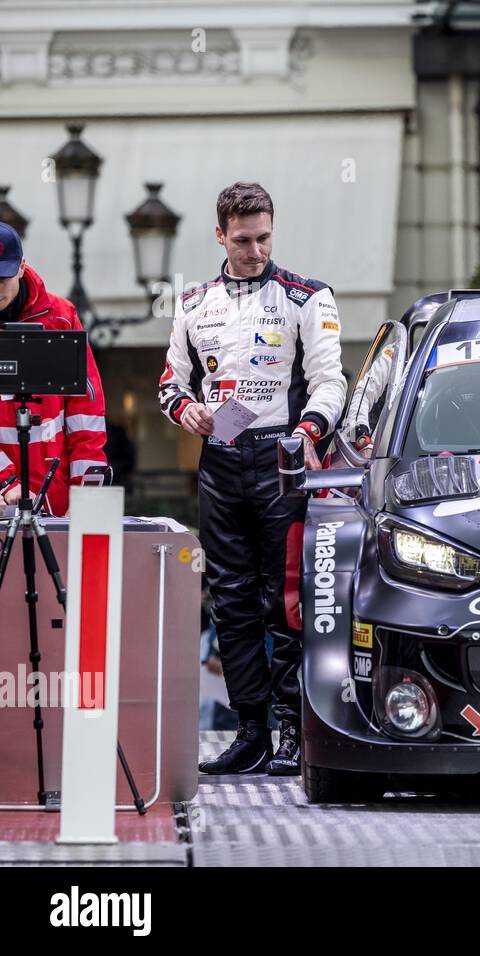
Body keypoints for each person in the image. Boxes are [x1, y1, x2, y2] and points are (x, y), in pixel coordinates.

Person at [159, 182, 346, 776]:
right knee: (232, 601)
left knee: (285, 600)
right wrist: (185, 410)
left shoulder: (308, 297)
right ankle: (250, 731)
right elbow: (170, 383)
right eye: (243, 240)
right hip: (218, 461)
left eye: (264, 237)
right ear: (220, 235)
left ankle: (294, 728)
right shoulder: (191, 302)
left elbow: (330, 382)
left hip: (281, 458)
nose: (256, 250)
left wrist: (309, 432)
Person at [0, 223, 108, 516]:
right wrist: (6, 483)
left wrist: (88, 497)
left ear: (22, 267)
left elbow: (86, 413)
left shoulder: (61, 317)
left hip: (56, 504)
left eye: (2, 279)